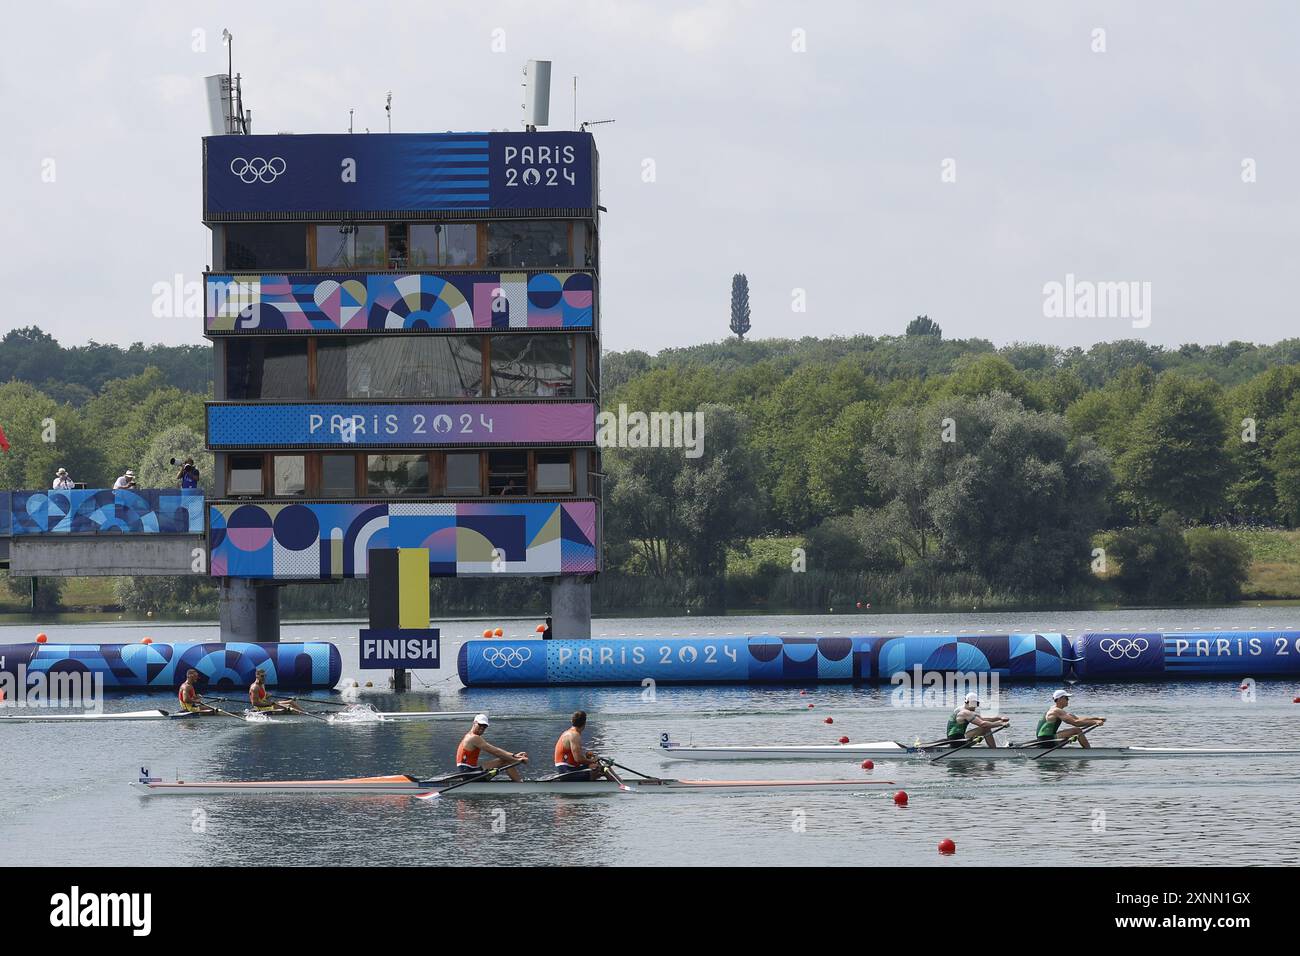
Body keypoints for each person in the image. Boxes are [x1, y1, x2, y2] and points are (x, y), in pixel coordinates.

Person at [454, 714, 527, 781]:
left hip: (469, 771)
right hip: (469, 774)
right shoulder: (473, 738)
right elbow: (495, 751)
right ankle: (521, 786)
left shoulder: (470, 736)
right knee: (506, 761)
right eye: (480, 725)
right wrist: (515, 759)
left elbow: (496, 750)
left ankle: (519, 783)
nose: (482, 728)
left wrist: (514, 755)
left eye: (485, 726)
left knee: (504, 759)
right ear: (474, 723)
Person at [553, 710, 612, 781]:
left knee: (602, 768)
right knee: (601, 768)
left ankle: (608, 785)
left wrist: (588, 757)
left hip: (567, 770)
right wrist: (593, 760)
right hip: (567, 772)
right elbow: (578, 759)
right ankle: (617, 786)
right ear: (584, 723)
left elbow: (576, 758)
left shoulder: (567, 732)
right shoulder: (574, 735)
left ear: (572, 721)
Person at [1036, 689, 1106, 748]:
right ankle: (1089, 752)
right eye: (1066, 698)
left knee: (1073, 732)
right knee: (1077, 730)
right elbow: (1076, 723)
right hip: (1046, 740)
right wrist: (1095, 722)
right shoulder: (1056, 711)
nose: (1068, 700)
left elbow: (1078, 718)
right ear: (1060, 699)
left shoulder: (1057, 709)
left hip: (1046, 738)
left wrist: (1097, 718)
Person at [946, 691, 1010, 747]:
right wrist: (1000, 723)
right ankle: (994, 752)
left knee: (986, 727)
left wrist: (1000, 718)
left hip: (955, 739)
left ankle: (993, 750)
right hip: (957, 742)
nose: (977, 706)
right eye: (976, 703)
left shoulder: (961, 709)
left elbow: (983, 719)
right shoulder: (965, 713)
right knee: (986, 728)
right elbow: (983, 724)